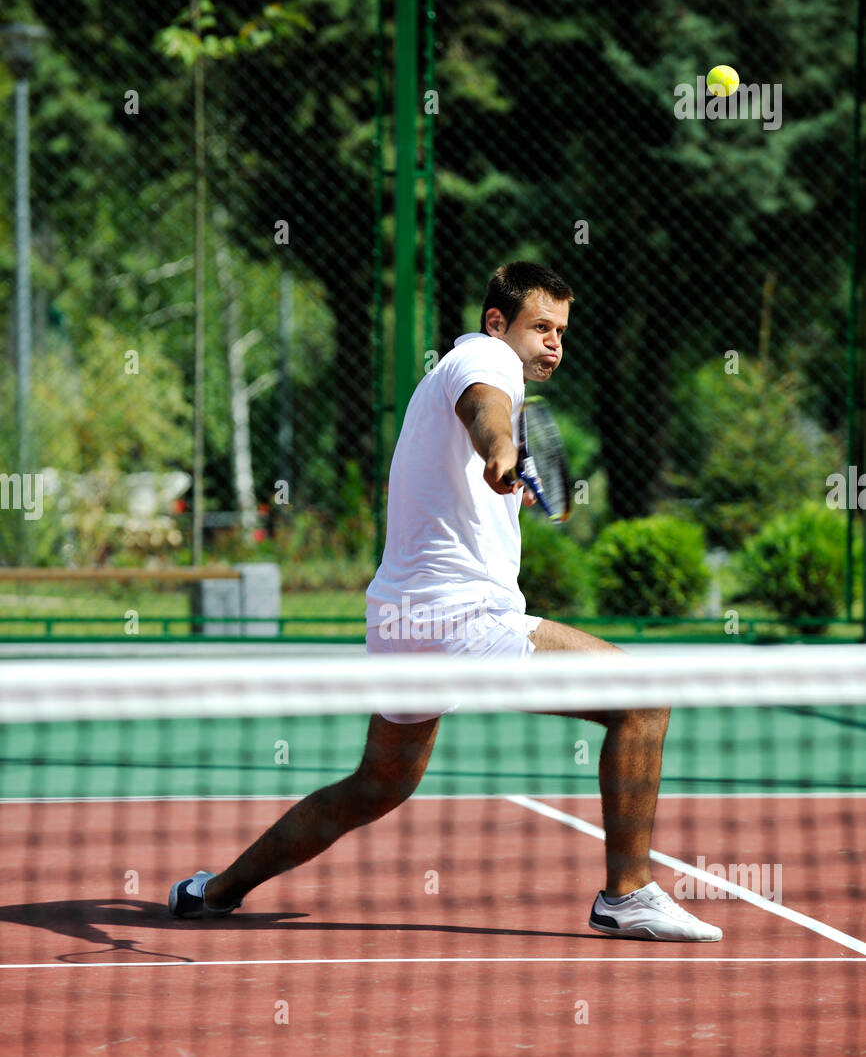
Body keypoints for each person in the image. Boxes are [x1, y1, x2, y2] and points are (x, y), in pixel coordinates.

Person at [170, 261, 721, 942]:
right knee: (642, 696)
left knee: (378, 783)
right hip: (460, 620)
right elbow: (485, 407)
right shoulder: (486, 361)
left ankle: (214, 890)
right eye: (540, 327)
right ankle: (627, 893)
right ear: (497, 322)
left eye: (561, 332)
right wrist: (497, 448)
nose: (553, 343)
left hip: (400, 622)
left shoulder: (451, 377)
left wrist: (499, 462)